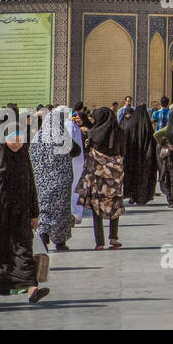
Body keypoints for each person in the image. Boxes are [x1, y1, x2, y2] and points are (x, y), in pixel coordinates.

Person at [0, 117, 49, 306]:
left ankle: (32, 289)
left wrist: (34, 213)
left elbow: (31, 186)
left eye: (20, 139)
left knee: (23, 251)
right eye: (14, 138)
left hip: (19, 215)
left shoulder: (23, 157)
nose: (17, 143)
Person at [30, 106, 80, 253]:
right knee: (61, 210)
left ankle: (43, 236)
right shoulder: (61, 136)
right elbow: (76, 151)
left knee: (44, 208)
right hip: (60, 180)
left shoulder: (37, 137)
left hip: (41, 181)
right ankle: (60, 242)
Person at [76, 107, 126, 250]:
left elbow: (87, 153)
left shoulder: (93, 133)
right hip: (115, 175)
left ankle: (99, 242)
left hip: (97, 177)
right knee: (114, 203)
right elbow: (123, 152)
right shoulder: (120, 132)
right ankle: (114, 237)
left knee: (96, 207)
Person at [119, 104, 158, 206]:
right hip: (146, 157)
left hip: (132, 158)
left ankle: (133, 195)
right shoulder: (148, 127)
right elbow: (153, 143)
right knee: (144, 176)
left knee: (133, 175)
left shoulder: (129, 125)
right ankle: (143, 196)